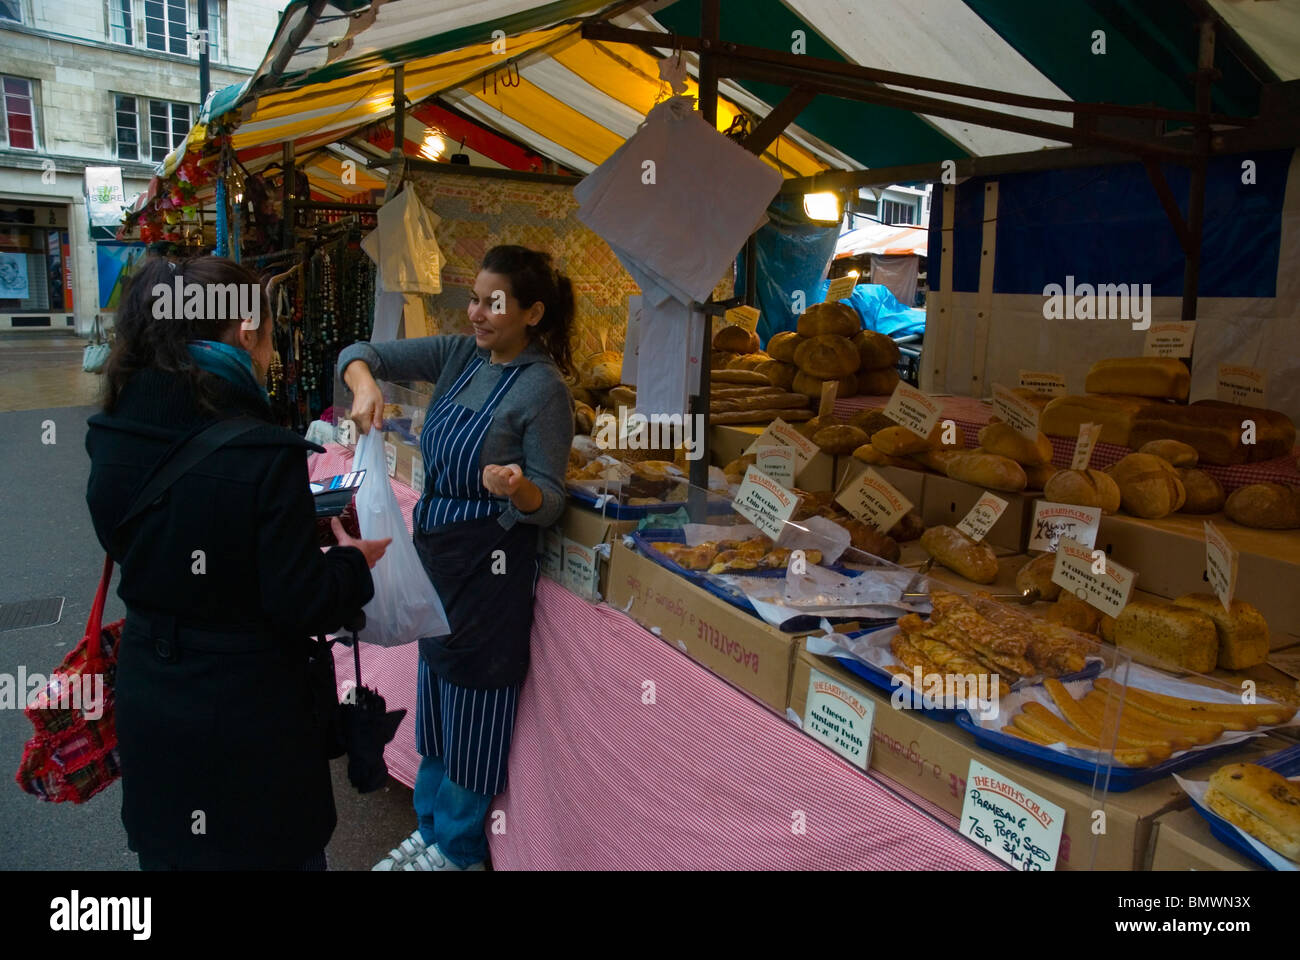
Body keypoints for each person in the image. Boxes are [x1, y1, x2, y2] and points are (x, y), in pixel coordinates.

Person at [85, 255, 391, 870]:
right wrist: (353, 563)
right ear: (247, 332)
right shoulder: (259, 449)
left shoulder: (113, 428)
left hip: (154, 695)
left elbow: (158, 539)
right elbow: (302, 600)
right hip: (247, 715)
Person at [338, 244, 575, 871]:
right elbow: (359, 354)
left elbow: (550, 498)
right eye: (474, 298)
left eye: (493, 303)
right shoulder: (458, 355)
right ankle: (430, 828)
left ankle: (460, 849)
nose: (476, 312)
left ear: (533, 313)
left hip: (492, 568)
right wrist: (363, 384)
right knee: (438, 698)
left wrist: (517, 487)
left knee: (475, 707)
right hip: (437, 555)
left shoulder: (544, 390)